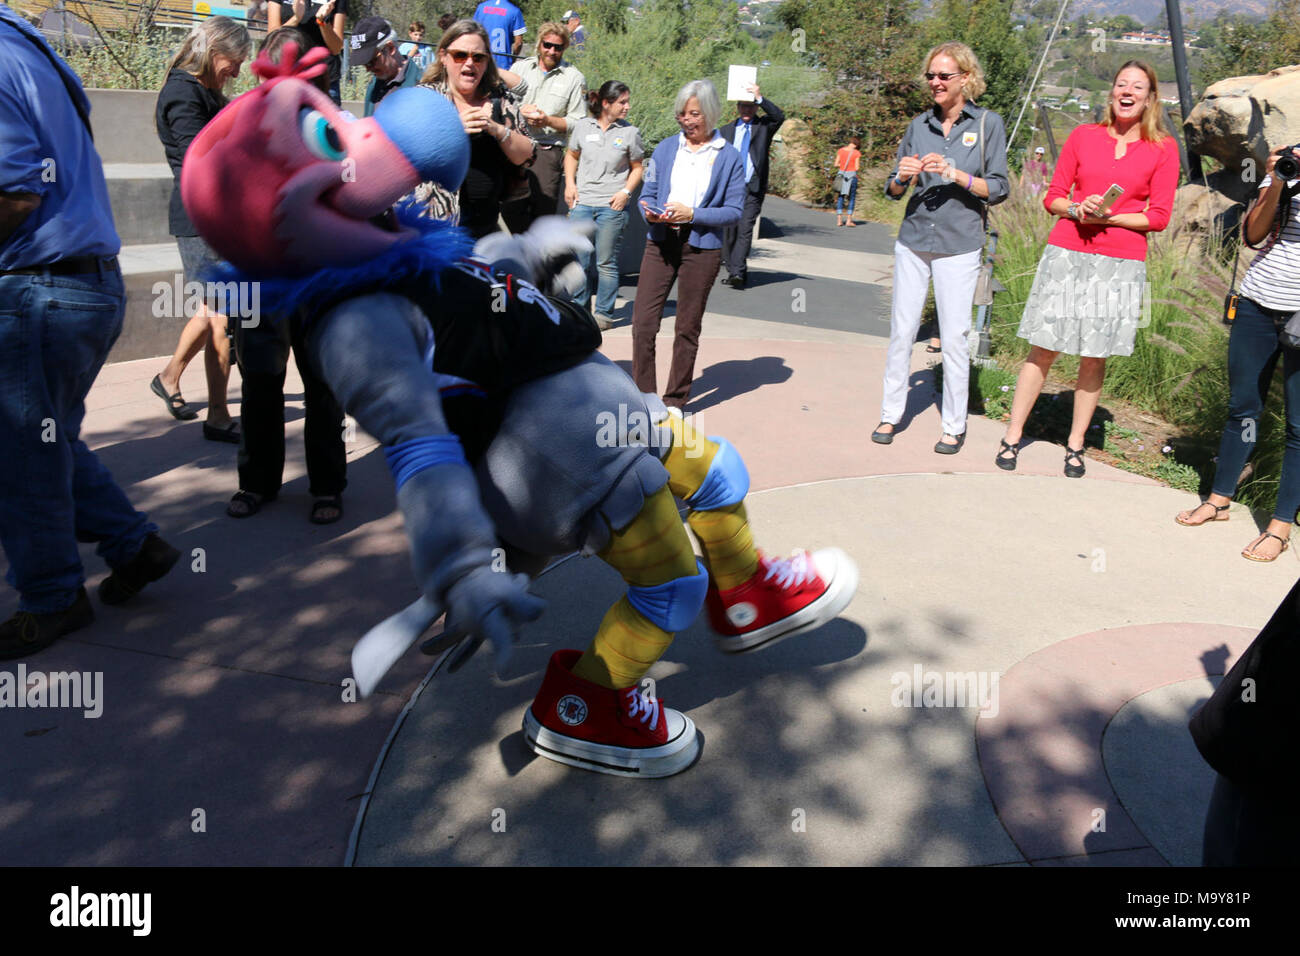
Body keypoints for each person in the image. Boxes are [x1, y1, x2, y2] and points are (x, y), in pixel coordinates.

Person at [1, 2, 180, 657]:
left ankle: (52, 598)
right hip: (80, 283)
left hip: (38, 287)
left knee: (20, 458)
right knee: (46, 441)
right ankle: (136, 546)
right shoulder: (29, 48)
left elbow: (13, 192)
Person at [994, 60, 1178, 477]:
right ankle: (1012, 434)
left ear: (1151, 98)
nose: (1127, 92)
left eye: (1138, 87)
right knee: (1043, 346)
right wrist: (1078, 209)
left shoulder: (1163, 148)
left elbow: (1159, 216)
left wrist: (1107, 219)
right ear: (1112, 92)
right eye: (1121, 84)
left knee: (1094, 356)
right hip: (1067, 250)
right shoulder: (1082, 136)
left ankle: (1075, 444)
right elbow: (1053, 196)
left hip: (1120, 259)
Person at [226, 30, 348, 524]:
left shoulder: (332, 126)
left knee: (322, 388)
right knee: (259, 383)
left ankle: (327, 487)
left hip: (318, 277)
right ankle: (257, 483)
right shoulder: (242, 122)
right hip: (260, 275)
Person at [876, 42, 1009, 454]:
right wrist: (902, 175)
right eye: (930, 75)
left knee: (954, 338)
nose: (934, 82)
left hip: (959, 242)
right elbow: (893, 190)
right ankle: (890, 413)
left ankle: (953, 424)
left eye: (943, 76)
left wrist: (956, 175)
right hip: (914, 239)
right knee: (902, 333)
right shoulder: (918, 126)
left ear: (965, 78)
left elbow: (999, 188)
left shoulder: (988, 124)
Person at [1174, 143, 1300, 561]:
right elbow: (1252, 234)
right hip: (1258, 302)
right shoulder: (1290, 162)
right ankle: (1219, 498)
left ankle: (1280, 525)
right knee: (1243, 408)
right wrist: (1278, 181)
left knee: (1299, 428)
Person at [151, 16, 252, 444]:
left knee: (212, 311)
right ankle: (217, 414)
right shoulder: (181, 93)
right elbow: (202, 159)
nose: (238, 69)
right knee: (221, 317)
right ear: (215, 52)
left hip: (217, 219)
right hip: (199, 221)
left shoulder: (206, 92)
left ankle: (169, 376)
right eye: (236, 60)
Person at [631, 79, 745, 410]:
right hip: (661, 241)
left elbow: (734, 211)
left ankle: (675, 401)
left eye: (693, 114)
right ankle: (645, 398)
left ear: (709, 113)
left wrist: (693, 214)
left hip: (702, 248)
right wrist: (650, 213)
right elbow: (648, 193)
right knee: (643, 323)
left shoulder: (730, 157)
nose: (686, 120)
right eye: (682, 114)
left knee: (687, 327)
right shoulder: (667, 148)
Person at [414, 19, 535, 237]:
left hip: (486, 228)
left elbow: (527, 154)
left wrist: (498, 130)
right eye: (460, 55)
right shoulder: (424, 98)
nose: (469, 63)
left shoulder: (499, 98)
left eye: (478, 57)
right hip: (434, 230)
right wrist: (454, 131)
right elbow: (407, 154)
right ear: (443, 57)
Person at [564, 80, 644, 329]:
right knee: (580, 262)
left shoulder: (630, 132)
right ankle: (579, 311)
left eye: (627, 101)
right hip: (582, 203)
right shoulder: (582, 126)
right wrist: (570, 184)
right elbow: (571, 155)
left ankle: (603, 316)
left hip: (612, 207)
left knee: (606, 263)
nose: (627, 107)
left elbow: (637, 168)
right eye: (622, 102)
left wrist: (625, 192)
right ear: (606, 103)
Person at [501, 23, 587, 232]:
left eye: (558, 47)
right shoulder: (520, 68)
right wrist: (520, 114)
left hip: (546, 151)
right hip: (513, 147)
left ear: (564, 48)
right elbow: (501, 103)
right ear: (540, 44)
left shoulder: (574, 78)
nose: (552, 51)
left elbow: (578, 122)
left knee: (542, 217)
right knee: (509, 211)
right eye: (548, 45)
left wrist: (547, 120)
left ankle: (538, 263)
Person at [718, 83, 784, 289]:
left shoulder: (763, 127)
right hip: (730, 189)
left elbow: (779, 117)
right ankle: (734, 270)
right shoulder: (725, 131)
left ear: (756, 107)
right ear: (737, 107)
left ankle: (737, 272)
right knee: (729, 232)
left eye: (751, 106)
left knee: (745, 229)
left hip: (752, 188)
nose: (747, 110)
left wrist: (759, 97)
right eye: (743, 106)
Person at [267, 0, 347, 104]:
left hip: (324, 83)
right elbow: (272, 40)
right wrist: (296, 18)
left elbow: (336, 48)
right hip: (287, 79)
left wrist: (322, 21)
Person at [353, 16, 422, 116]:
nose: (368, 69)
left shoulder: (420, 86)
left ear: (390, 48)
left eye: (371, 61)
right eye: (364, 64)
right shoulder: (374, 84)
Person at [473, 0, 525, 70]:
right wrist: (513, 58)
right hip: (502, 64)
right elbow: (518, 43)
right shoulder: (514, 11)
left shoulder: (481, 7)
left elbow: (472, 32)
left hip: (480, 60)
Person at [834, 134, 860, 227]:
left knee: (841, 197)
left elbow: (836, 164)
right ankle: (849, 220)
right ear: (856, 145)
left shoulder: (841, 151)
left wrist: (842, 165)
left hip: (842, 175)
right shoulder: (856, 153)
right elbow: (857, 167)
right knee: (851, 198)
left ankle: (839, 220)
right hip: (852, 176)